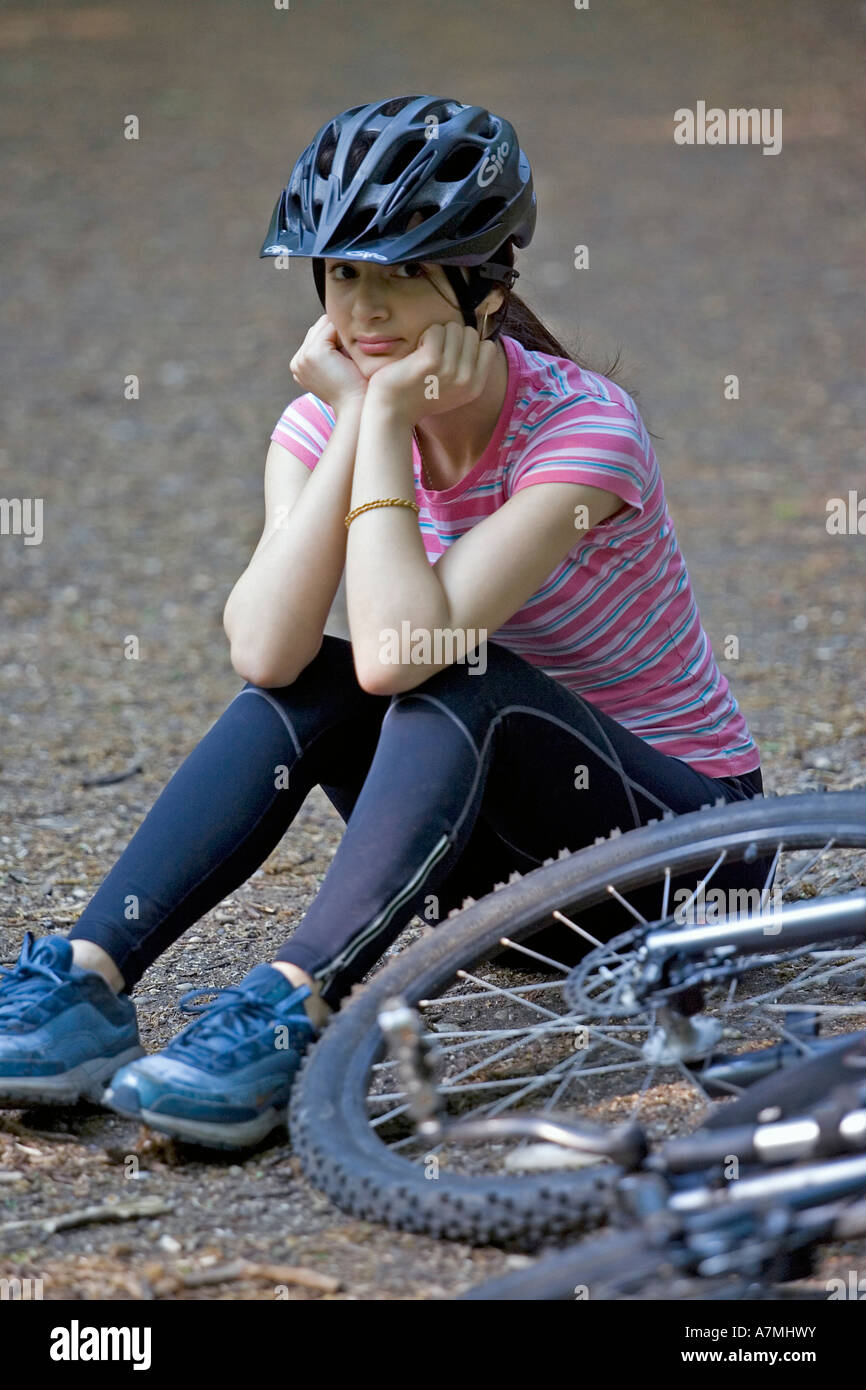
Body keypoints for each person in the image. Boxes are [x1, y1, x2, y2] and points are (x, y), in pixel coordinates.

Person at [0, 94, 770, 1152]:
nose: (365, 308)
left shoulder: (586, 431)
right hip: (500, 862)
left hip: (680, 855)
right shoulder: (322, 419)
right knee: (312, 672)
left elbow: (412, 653)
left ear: (484, 283)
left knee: (452, 667)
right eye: (345, 271)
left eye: (404, 272)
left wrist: (385, 422)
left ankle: (292, 1008)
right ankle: (88, 979)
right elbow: (265, 651)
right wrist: (363, 422)